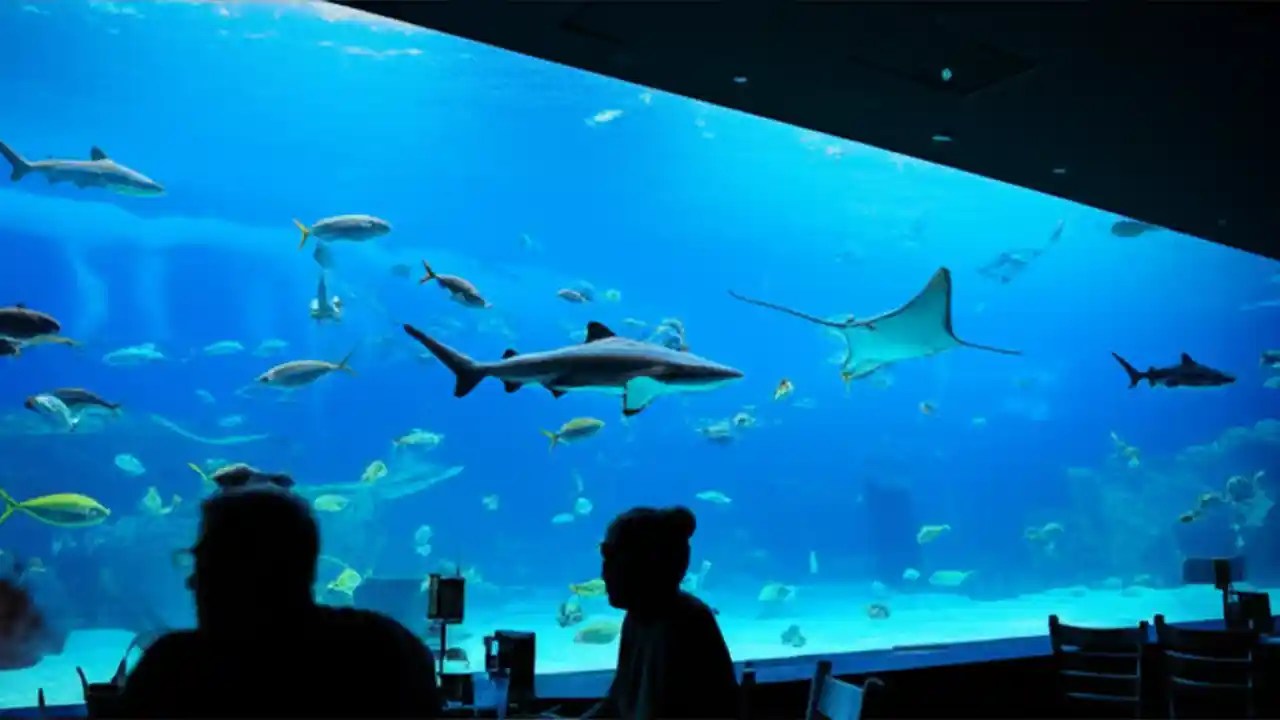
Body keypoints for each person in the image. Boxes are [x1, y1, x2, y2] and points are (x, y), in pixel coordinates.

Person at [117, 481, 441, 718]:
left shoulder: (173, 671)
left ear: (246, 569)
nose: (191, 581)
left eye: (205, 563)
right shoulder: (387, 648)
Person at [586, 505, 740, 719]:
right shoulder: (637, 618)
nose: (604, 572)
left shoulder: (686, 624)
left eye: (612, 556)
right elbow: (617, 700)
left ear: (647, 562)